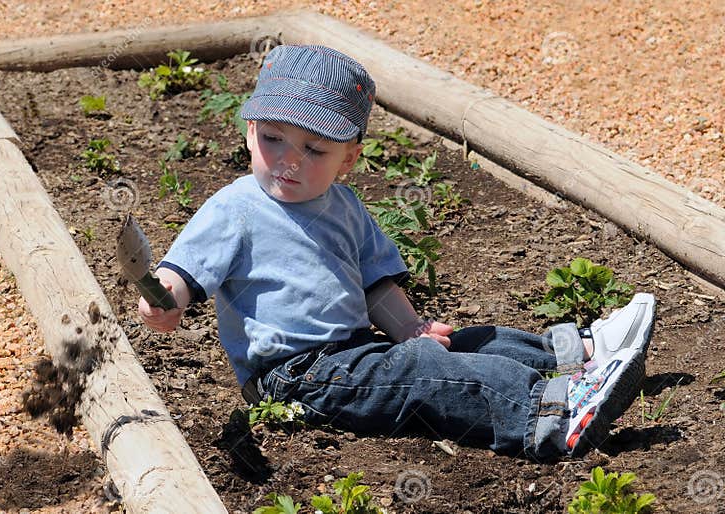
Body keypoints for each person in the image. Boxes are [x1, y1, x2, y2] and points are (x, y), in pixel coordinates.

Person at [138, 44, 657, 460]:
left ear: (349, 159)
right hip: (294, 378)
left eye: (314, 149)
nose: (288, 162)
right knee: (423, 377)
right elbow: (183, 271)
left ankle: (578, 356)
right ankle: (550, 417)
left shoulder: (343, 205)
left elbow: (375, 283)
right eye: (274, 139)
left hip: (354, 351)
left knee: (461, 343)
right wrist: (164, 297)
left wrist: (410, 330)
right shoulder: (236, 209)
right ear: (250, 132)